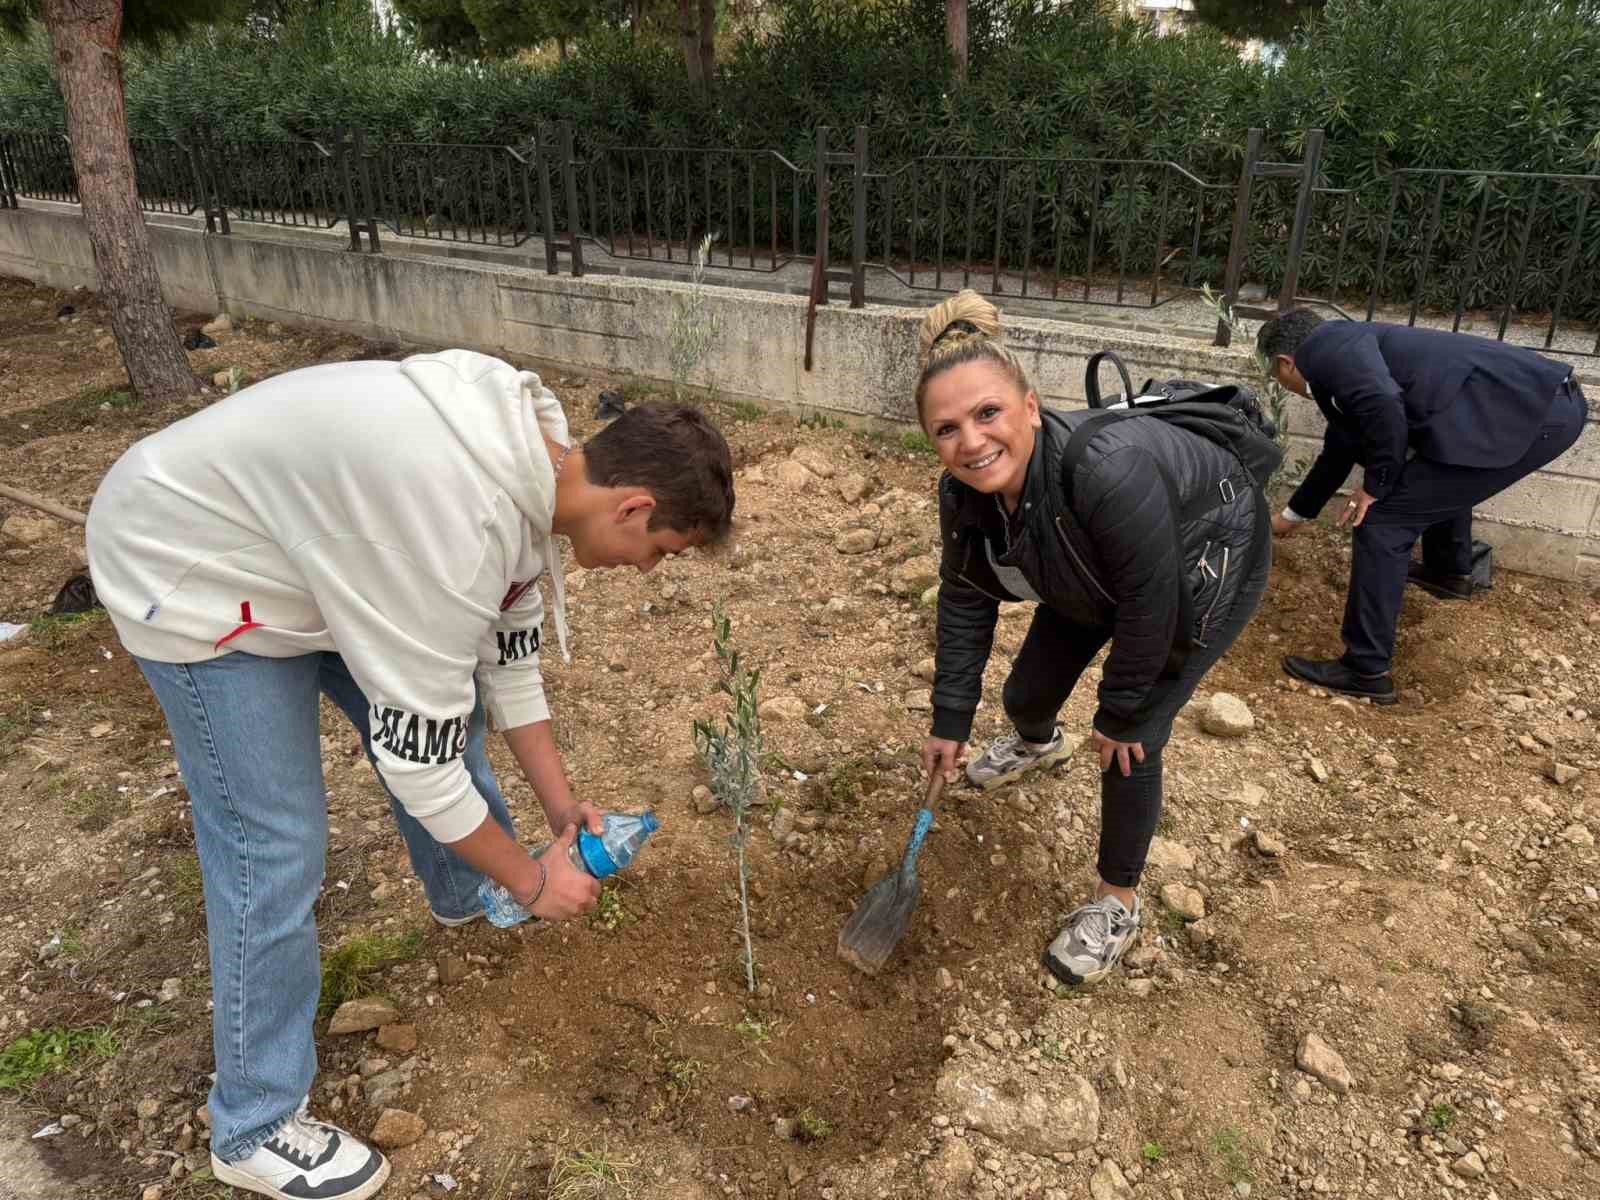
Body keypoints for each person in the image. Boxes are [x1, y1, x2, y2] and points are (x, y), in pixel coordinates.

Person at [85, 349, 734, 1200]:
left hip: (309, 554)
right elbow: (420, 766)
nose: (653, 570)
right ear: (634, 505)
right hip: (194, 569)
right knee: (273, 845)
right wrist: (535, 879)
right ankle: (252, 1122)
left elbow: (506, 660)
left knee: (443, 703)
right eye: (663, 551)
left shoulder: (536, 463)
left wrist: (561, 803)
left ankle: (466, 893)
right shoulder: (451, 531)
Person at [917, 291, 1272, 986]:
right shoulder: (964, 495)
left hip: (1205, 563)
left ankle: (1117, 900)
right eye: (947, 428)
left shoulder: (1104, 468)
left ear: (1030, 406)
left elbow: (1154, 599)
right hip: (1091, 564)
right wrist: (950, 719)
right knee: (1026, 696)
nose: (971, 441)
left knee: (1130, 745)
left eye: (988, 413)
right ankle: (1038, 744)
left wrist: (1125, 707)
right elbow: (964, 597)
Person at [1260, 310, 1583, 702]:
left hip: (1532, 413)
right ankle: (1448, 573)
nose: (1283, 384)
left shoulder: (1327, 352)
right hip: (1539, 405)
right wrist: (1290, 518)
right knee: (1439, 470)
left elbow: (1383, 402)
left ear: (1285, 362)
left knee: (1382, 523)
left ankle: (1366, 669)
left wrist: (1375, 486)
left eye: (1277, 377)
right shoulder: (1343, 351)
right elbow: (1340, 448)